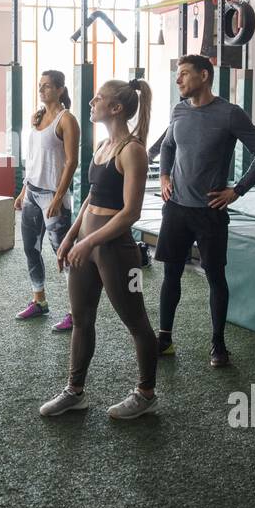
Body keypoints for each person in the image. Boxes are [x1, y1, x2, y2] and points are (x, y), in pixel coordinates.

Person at [41, 79, 160, 420]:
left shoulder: (132, 151)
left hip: (117, 252)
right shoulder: (103, 146)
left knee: (136, 322)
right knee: (81, 319)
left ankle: (146, 394)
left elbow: (130, 213)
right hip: (86, 247)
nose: (92, 103)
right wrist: (72, 236)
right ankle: (74, 392)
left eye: (98, 99)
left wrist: (90, 241)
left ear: (116, 108)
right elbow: (91, 198)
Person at [156, 54, 255, 367]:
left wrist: (237, 190)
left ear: (204, 75)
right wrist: (164, 175)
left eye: (184, 73)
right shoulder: (178, 110)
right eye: (178, 74)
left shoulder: (230, 114)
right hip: (176, 208)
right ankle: (164, 339)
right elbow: (167, 145)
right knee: (171, 274)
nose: (178, 79)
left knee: (215, 277)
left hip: (210, 212)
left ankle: (218, 345)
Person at [14, 70, 79, 331]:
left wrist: (59, 197)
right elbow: (33, 159)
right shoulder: (38, 117)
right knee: (31, 249)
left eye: (48, 86)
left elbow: (72, 162)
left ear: (60, 89)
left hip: (53, 196)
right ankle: (39, 300)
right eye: (40, 85)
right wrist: (23, 190)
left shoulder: (67, 120)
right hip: (32, 193)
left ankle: (76, 312)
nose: (42, 90)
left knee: (63, 255)